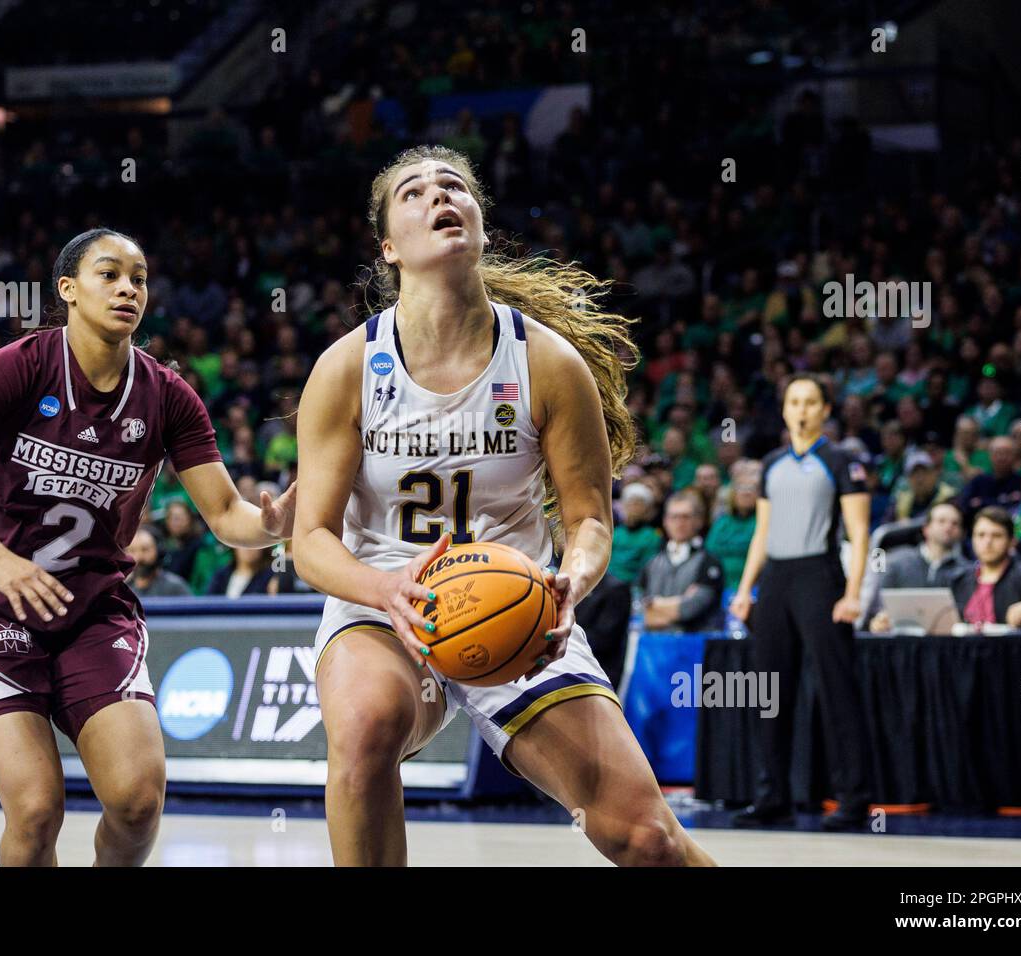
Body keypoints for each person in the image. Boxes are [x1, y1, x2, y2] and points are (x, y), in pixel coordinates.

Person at [292, 146, 714, 867]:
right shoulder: (348, 368)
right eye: (415, 192)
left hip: (519, 604)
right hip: (386, 601)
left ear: (481, 225)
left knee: (645, 839)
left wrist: (568, 586)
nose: (439, 196)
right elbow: (310, 541)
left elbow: (587, 520)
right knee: (366, 730)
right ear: (389, 247)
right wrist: (385, 590)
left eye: (455, 186)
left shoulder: (547, 362)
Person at [0, 228, 296, 867]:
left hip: (91, 611)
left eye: (138, 278)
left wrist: (276, 524)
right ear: (67, 290)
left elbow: (226, 515)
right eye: (108, 274)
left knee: (138, 801)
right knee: (34, 812)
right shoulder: (22, 365)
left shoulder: (167, 395)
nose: (128, 289)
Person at [728, 373, 873, 831]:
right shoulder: (771, 463)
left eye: (811, 402)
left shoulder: (842, 460)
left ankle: (853, 800)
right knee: (770, 689)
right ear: (785, 409)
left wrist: (853, 594)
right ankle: (772, 797)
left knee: (836, 689)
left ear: (826, 410)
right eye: (794, 402)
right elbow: (762, 534)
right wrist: (746, 589)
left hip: (820, 575)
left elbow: (860, 532)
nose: (802, 410)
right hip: (777, 578)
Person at [864, 503, 969, 632]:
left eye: (955, 523)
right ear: (926, 528)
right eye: (941, 521)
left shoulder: (966, 571)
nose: (948, 527)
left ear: (961, 533)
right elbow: (877, 607)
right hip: (901, 640)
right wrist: (878, 621)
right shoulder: (897, 562)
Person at [952, 507, 1021, 629]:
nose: (987, 542)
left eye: (996, 535)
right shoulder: (959, 579)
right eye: (981, 535)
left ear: (1011, 542)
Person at [639, 492, 725, 631]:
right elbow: (642, 610)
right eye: (674, 517)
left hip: (694, 643)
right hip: (654, 645)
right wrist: (680, 602)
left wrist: (654, 605)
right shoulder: (652, 562)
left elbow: (693, 608)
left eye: (685, 517)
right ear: (665, 521)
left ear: (699, 521)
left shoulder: (710, 562)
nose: (679, 523)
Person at [705, 470, 758, 591]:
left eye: (752, 488)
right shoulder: (722, 522)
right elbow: (710, 551)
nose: (746, 492)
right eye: (741, 487)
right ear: (732, 493)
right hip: (718, 584)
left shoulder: (763, 523)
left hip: (753, 585)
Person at [606, 482, 661, 584]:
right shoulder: (615, 533)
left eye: (639, 504)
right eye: (631, 503)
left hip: (634, 586)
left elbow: (646, 567)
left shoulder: (652, 536)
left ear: (647, 509)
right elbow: (607, 563)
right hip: (610, 583)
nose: (634, 508)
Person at [125, 526, 191, 597]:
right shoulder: (121, 589)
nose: (138, 557)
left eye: (145, 549)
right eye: (132, 551)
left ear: (159, 551)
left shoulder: (175, 587)